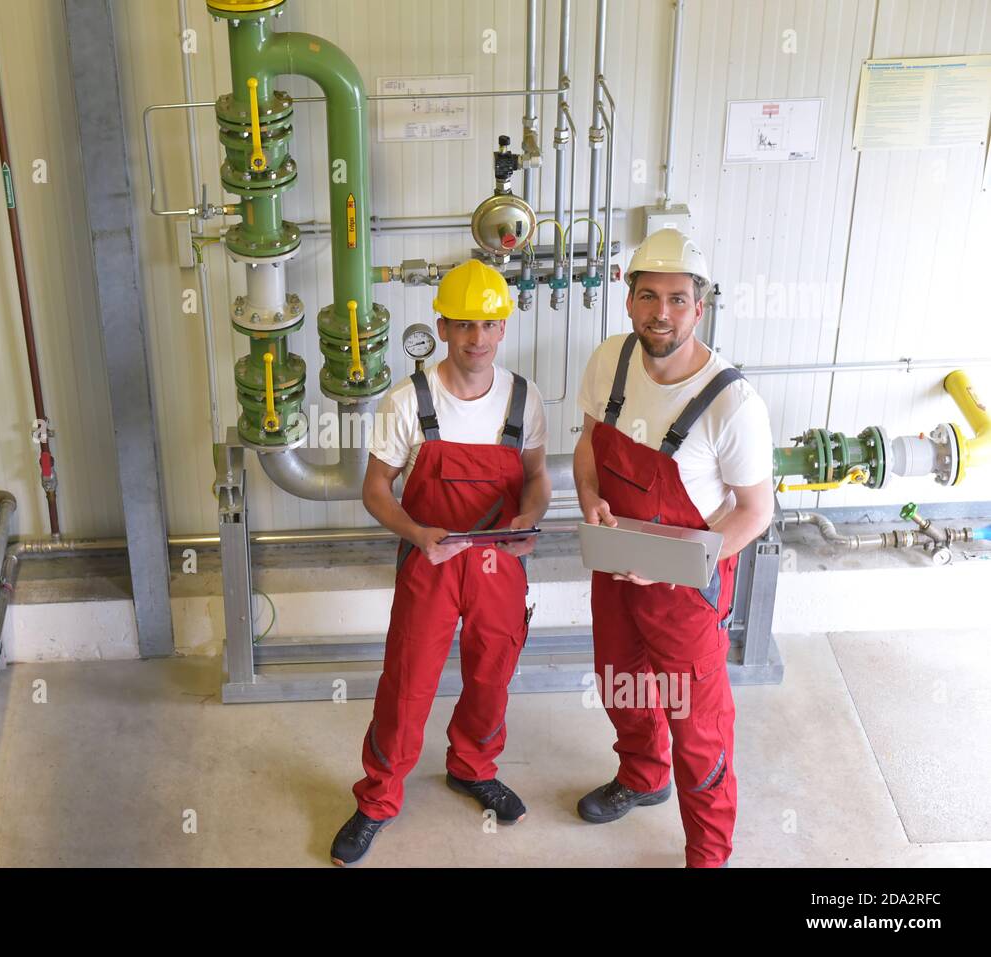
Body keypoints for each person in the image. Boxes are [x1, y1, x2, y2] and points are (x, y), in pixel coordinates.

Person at [329, 259, 551, 866]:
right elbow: (376, 488)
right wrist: (415, 532)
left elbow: (536, 478)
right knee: (407, 682)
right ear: (442, 326)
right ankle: (377, 798)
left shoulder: (524, 399)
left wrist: (528, 520)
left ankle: (473, 767)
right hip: (428, 560)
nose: (475, 338)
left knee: (491, 674)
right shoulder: (407, 400)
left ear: (503, 327)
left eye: (487, 324)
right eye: (461, 325)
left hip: (498, 564)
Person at [572, 227, 774, 868]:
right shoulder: (610, 359)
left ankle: (708, 855)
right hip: (614, 559)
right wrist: (588, 499)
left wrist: (685, 560)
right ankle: (641, 774)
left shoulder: (733, 404)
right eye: (649, 296)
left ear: (700, 306)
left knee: (698, 727)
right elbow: (586, 443)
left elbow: (756, 512)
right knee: (620, 683)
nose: (663, 312)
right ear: (628, 300)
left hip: (686, 584)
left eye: (679, 299)